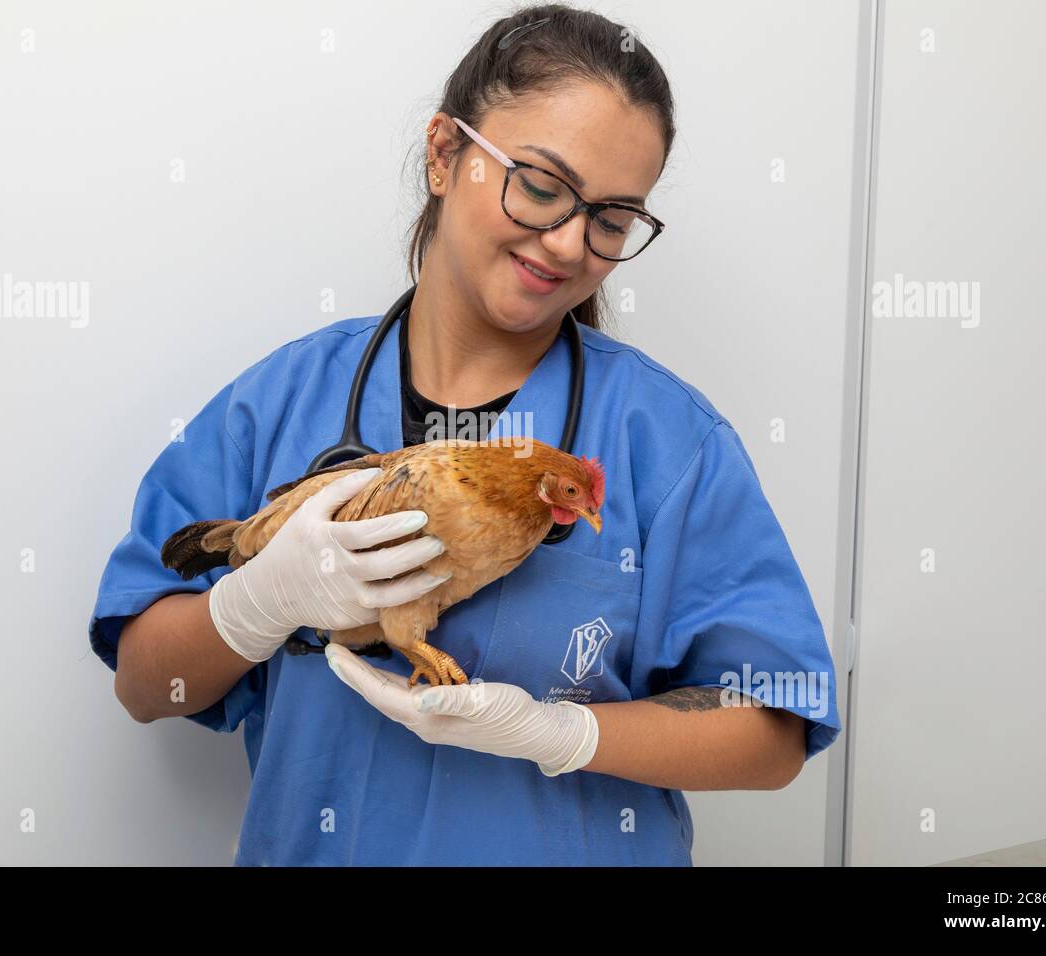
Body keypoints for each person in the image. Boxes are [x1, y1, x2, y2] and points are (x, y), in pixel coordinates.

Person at [88, 3, 841, 866]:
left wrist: (565, 735)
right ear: (445, 156)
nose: (567, 243)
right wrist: (257, 604)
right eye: (542, 185)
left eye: (611, 219)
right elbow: (147, 686)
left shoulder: (665, 441)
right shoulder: (281, 402)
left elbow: (775, 729)